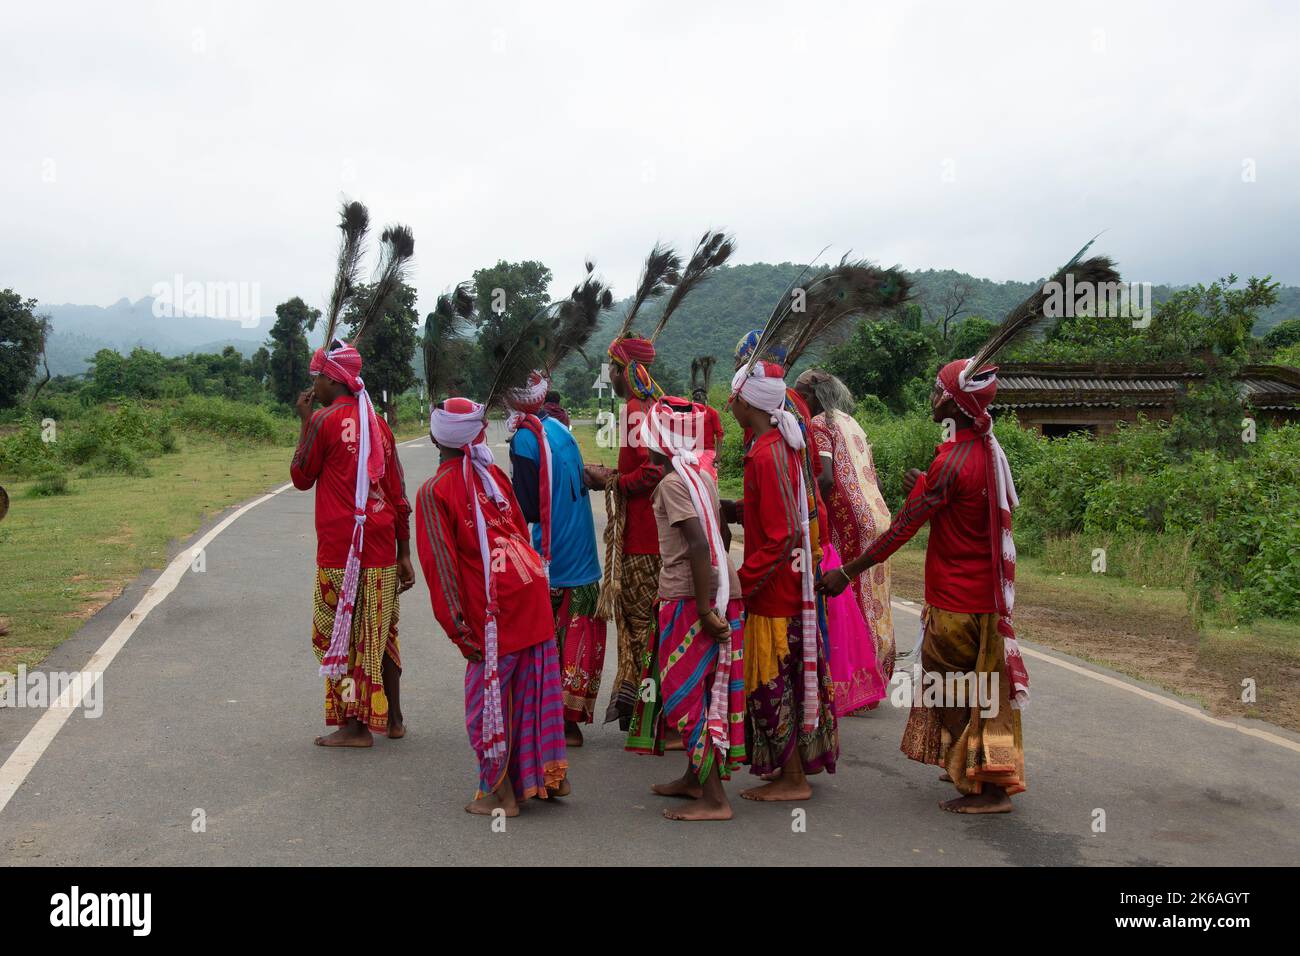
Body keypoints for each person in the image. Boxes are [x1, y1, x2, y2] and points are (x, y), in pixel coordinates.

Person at [819, 359, 1029, 813]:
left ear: (954, 403)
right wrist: (928, 487)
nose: (931, 398)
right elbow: (959, 505)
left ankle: (987, 787)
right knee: (986, 691)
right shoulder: (983, 451)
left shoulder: (952, 462)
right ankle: (982, 768)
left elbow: (901, 530)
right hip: (986, 599)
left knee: (948, 687)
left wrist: (848, 572)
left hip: (957, 602)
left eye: (938, 391)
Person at [417, 397, 569, 816]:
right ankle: (548, 779)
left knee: (487, 706)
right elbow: (520, 530)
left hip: (495, 612)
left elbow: (441, 571)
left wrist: (459, 631)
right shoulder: (494, 474)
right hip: (530, 590)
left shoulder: (434, 491)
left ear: (436, 435)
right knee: (533, 693)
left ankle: (502, 795)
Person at [626, 397, 747, 820]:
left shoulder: (672, 484)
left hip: (689, 599)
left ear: (659, 442)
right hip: (721, 590)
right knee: (707, 689)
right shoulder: (700, 474)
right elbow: (723, 535)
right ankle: (696, 780)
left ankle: (716, 799)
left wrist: (702, 606)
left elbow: (698, 543)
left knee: (682, 695)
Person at [291, 342, 413, 747]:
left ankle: (355, 726)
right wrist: (405, 551)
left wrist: (305, 422)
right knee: (379, 633)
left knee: (336, 635)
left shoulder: (324, 422)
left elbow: (301, 476)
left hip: (340, 550)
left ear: (332, 380)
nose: (315, 386)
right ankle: (393, 718)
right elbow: (396, 491)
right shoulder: (379, 424)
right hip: (380, 546)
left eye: (318, 378)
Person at [729, 360, 838, 800]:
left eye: (732, 396)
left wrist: (741, 581)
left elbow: (781, 534)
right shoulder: (783, 444)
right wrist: (739, 509)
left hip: (774, 594)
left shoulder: (763, 453)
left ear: (744, 402)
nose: (729, 403)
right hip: (795, 587)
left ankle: (793, 779)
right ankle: (791, 768)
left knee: (770, 685)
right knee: (792, 680)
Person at [507, 373, 606, 746]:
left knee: (548, 636)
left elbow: (527, 507)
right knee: (574, 633)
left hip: (553, 557)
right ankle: (568, 718)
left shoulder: (525, 439)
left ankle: (556, 721)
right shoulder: (559, 430)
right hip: (581, 552)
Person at [794, 368, 896, 695]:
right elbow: (875, 479)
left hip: (849, 519)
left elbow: (823, 477)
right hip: (878, 516)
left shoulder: (820, 424)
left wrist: (808, 516)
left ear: (812, 397)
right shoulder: (851, 422)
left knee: (849, 592)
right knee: (875, 593)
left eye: (800, 395)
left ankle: (857, 681)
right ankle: (880, 669)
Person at [585, 336, 665, 728]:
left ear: (628, 371)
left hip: (644, 538)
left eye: (614, 368)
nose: (612, 376)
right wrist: (616, 474)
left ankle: (649, 713)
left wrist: (610, 483)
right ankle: (641, 706)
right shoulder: (653, 406)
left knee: (639, 623)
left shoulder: (635, 409)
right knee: (644, 622)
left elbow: (653, 472)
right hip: (652, 534)